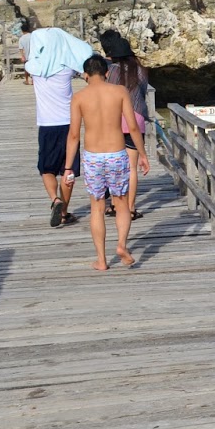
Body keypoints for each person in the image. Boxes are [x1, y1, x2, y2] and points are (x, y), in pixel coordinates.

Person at [64, 54, 150, 270]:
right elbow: (132, 127)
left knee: (97, 207)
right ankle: (121, 245)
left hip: (93, 156)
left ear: (85, 75)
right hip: (116, 153)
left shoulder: (79, 97)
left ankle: (101, 261)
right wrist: (143, 154)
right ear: (106, 72)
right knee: (121, 203)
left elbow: (73, 135)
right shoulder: (119, 91)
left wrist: (67, 167)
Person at [23, 25, 93, 226]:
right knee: (68, 169)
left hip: (47, 125)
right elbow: (83, 55)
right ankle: (64, 212)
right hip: (69, 124)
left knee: (47, 169)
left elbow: (33, 55)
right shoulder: (67, 67)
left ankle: (55, 199)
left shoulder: (33, 68)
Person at [101, 30, 151, 221]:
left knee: (114, 166)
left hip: (114, 121)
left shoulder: (110, 71)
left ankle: (114, 204)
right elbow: (144, 92)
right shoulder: (141, 71)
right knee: (131, 167)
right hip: (135, 120)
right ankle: (130, 208)